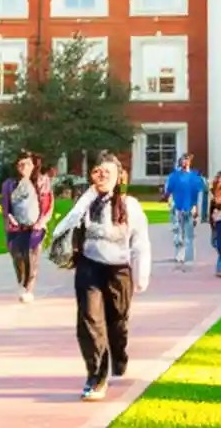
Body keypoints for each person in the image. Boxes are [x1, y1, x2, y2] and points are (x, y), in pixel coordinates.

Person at [52, 150, 150, 402]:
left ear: (119, 177)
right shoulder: (87, 203)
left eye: (109, 172)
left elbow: (140, 243)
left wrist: (141, 276)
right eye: (99, 172)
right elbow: (63, 229)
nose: (103, 176)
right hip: (89, 267)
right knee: (89, 322)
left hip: (119, 271)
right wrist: (89, 195)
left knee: (118, 324)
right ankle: (96, 377)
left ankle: (119, 355)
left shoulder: (130, 205)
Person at [1, 151, 54, 303]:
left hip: (36, 226)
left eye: (28, 164)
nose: (24, 167)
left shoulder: (42, 182)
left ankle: (29, 288)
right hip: (16, 226)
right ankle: (22, 282)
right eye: (21, 164)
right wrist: (10, 219)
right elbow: (5, 206)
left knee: (31, 256)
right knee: (17, 255)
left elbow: (49, 204)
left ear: (34, 165)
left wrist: (42, 221)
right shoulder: (9, 185)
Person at [163, 153, 202, 270]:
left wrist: (196, 207)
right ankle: (179, 254)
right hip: (177, 207)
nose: (185, 163)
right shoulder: (174, 176)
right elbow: (168, 191)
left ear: (190, 162)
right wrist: (168, 201)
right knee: (178, 232)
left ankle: (189, 256)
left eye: (187, 160)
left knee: (189, 233)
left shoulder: (195, 177)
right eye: (183, 161)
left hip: (189, 207)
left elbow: (198, 194)